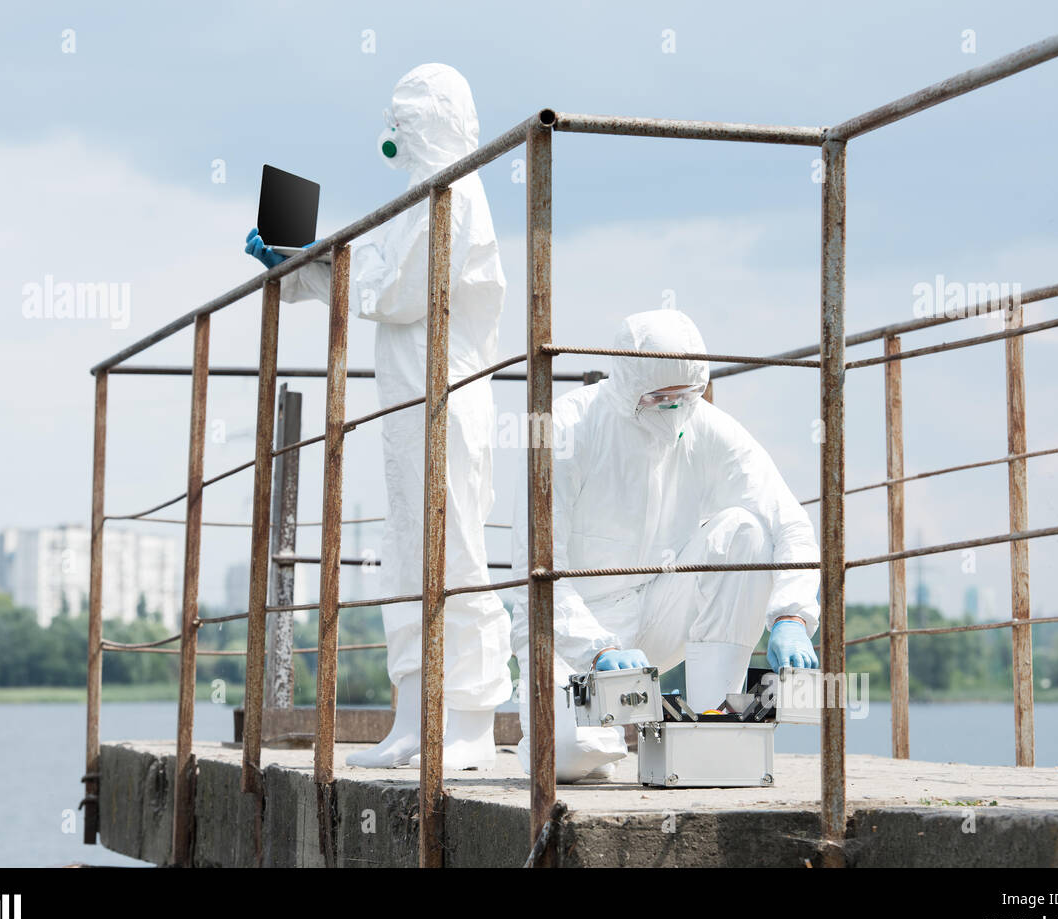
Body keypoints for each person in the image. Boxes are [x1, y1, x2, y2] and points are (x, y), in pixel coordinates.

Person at [243, 64, 512, 770]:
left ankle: (469, 725)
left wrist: (317, 255)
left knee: (453, 553)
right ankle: (416, 717)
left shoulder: (457, 191)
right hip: (408, 407)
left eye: (404, 118)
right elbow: (378, 274)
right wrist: (296, 265)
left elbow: (394, 289)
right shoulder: (421, 200)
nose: (393, 133)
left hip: (448, 401)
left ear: (434, 119)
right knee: (406, 555)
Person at [509, 309, 821, 783]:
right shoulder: (570, 427)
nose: (674, 406)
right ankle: (584, 729)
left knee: (745, 531)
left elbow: (787, 522)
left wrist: (792, 616)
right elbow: (537, 567)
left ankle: (712, 726)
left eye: (686, 394)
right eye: (659, 396)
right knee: (567, 759)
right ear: (629, 384)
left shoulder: (708, 426)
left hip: (659, 610)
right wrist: (597, 648)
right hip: (572, 628)